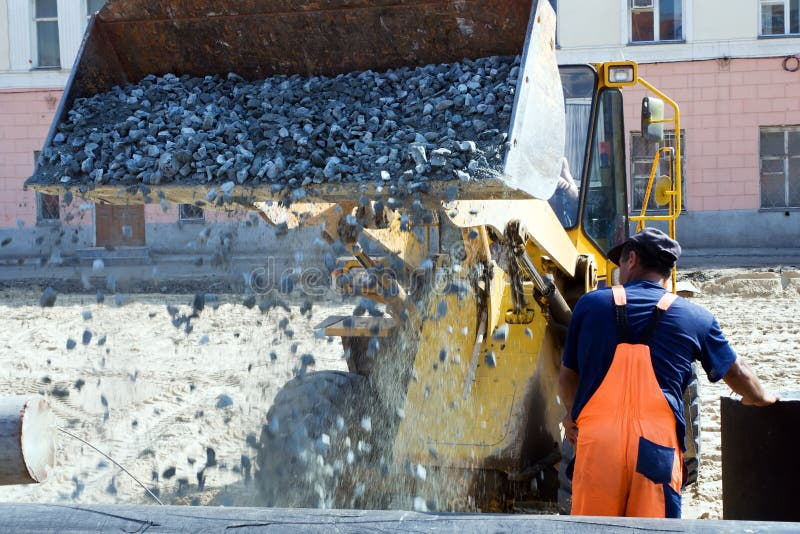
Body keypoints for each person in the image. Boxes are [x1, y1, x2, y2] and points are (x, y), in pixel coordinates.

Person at [558, 227, 778, 518]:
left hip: (599, 447)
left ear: (632, 259)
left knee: (593, 527)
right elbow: (737, 373)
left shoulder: (589, 306)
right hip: (656, 451)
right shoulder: (694, 316)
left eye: (620, 263)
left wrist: (572, 414)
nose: (619, 271)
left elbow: (568, 375)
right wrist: (763, 397)